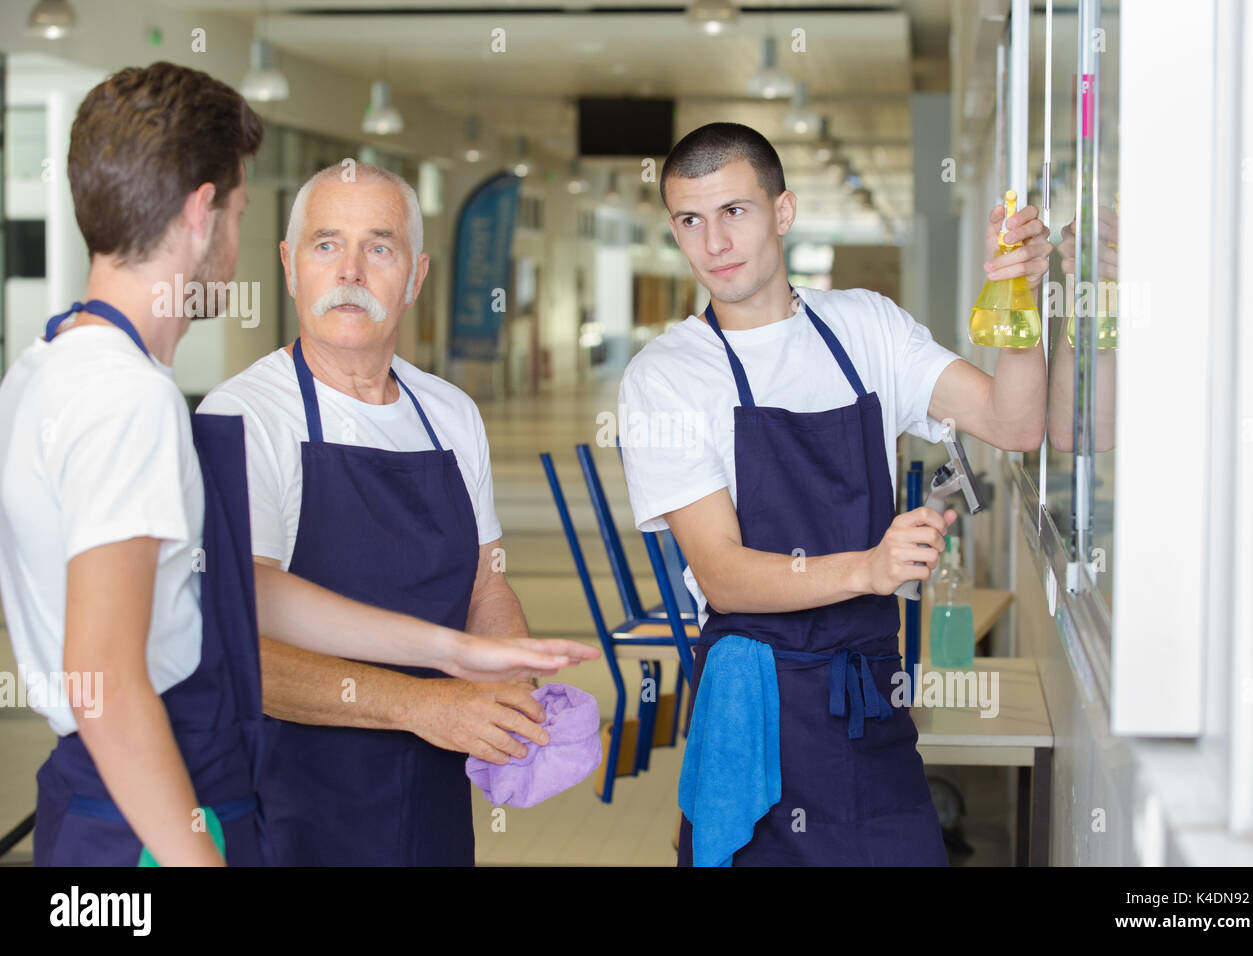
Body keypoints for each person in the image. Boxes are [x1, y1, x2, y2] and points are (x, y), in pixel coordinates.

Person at [0, 62, 593, 868]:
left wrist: (460, 656)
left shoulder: (48, 364)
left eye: (376, 248)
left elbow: (255, 599)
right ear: (204, 213)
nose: (347, 270)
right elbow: (108, 681)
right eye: (244, 208)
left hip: (158, 790)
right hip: (152, 802)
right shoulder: (131, 400)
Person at [617, 122, 1051, 866]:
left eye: (734, 212)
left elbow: (1014, 423)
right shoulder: (666, 376)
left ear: (782, 212)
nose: (714, 242)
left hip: (871, 699)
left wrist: (1018, 302)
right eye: (691, 220)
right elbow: (721, 572)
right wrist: (868, 569)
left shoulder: (865, 327)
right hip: (758, 712)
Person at [197, 162, 555, 865]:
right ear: (291, 266)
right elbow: (240, 652)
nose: (350, 270)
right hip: (289, 811)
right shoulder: (244, 417)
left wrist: (510, 690)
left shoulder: (451, 413)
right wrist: (424, 706)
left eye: (379, 247)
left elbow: (487, 584)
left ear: (417, 275)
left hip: (432, 806)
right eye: (326, 244)